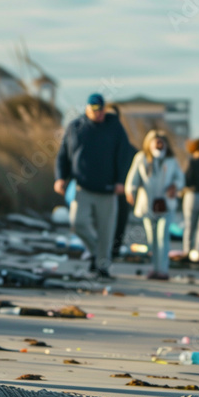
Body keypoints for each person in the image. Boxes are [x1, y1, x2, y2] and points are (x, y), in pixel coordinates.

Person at [54, 93, 130, 279]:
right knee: (78, 222)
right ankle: (96, 253)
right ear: (87, 109)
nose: (99, 113)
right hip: (82, 187)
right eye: (95, 110)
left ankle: (102, 267)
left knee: (106, 231)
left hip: (108, 189)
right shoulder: (76, 127)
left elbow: (124, 155)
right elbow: (63, 155)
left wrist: (121, 181)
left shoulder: (114, 127)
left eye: (102, 109)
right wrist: (61, 178)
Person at [125, 130, 185, 280]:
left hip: (166, 205)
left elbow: (180, 179)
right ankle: (155, 268)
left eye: (161, 142)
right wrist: (130, 190)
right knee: (152, 240)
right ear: (149, 143)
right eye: (156, 141)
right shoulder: (141, 158)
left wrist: (175, 186)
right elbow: (133, 177)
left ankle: (163, 270)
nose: (159, 144)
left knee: (162, 237)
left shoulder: (171, 161)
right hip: (148, 205)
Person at [107, 104, 139, 261]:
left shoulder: (126, 144)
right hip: (100, 189)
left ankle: (113, 251)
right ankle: (100, 252)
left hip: (121, 191)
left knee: (119, 222)